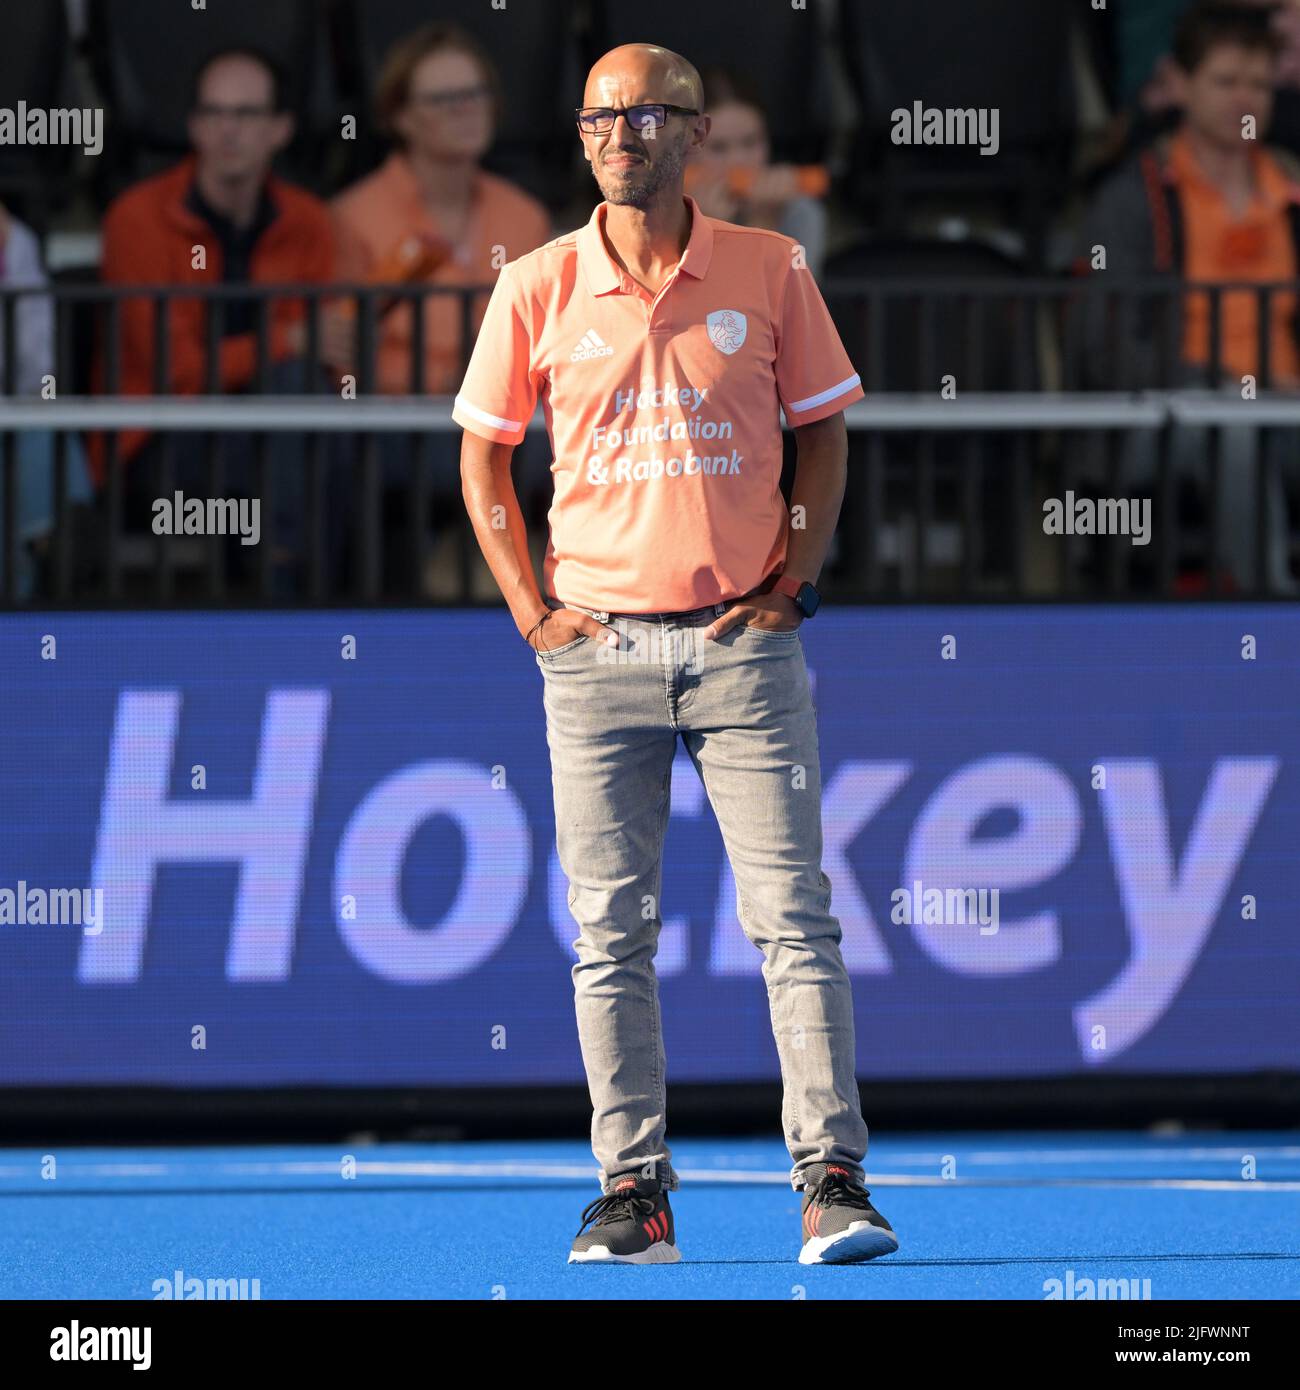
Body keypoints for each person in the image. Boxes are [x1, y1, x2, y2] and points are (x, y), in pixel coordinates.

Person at [454, 42, 898, 1266]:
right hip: (592, 653)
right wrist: (531, 614)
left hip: (744, 649)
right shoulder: (536, 283)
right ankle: (633, 1194)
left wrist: (794, 584)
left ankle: (833, 1183)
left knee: (794, 919)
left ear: (696, 133)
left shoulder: (771, 267)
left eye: (647, 115)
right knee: (610, 936)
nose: (620, 135)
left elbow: (824, 438)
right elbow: (482, 458)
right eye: (601, 116)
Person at [92, 47, 347, 587]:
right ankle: (295, 601)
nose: (229, 131)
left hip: (270, 433)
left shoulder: (307, 221)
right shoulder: (137, 218)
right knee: (296, 413)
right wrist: (290, 339)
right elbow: (177, 372)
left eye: (248, 115)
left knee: (317, 416)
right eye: (214, 114)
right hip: (160, 441)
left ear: (281, 129)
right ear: (194, 127)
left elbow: (329, 356)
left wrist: (298, 347)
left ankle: (300, 590)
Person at [1077, 2, 1299, 593]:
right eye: (1225, 81)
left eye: (1258, 82)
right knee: (1236, 426)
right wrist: (1227, 383)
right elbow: (1107, 347)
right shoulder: (1130, 198)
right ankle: (1274, 619)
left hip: (1291, 408)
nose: (1244, 100)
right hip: (1166, 414)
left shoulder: (1291, 187)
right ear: (1179, 84)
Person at [332, 23, 553, 597]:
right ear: (401, 117)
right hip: (402, 425)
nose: (466, 110)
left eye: (475, 94)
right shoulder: (355, 217)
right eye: (444, 99)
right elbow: (338, 355)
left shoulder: (523, 216)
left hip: (516, 427)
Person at [0, 202, 94, 599]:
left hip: (8, 411)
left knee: (40, 420)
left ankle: (51, 541)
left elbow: (40, 372)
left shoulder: (10, 240)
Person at [685, 65, 828, 279]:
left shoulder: (799, 212)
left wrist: (765, 227)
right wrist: (709, 233)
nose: (738, 161)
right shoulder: (666, 216)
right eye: (718, 148)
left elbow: (793, 307)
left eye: (750, 143)